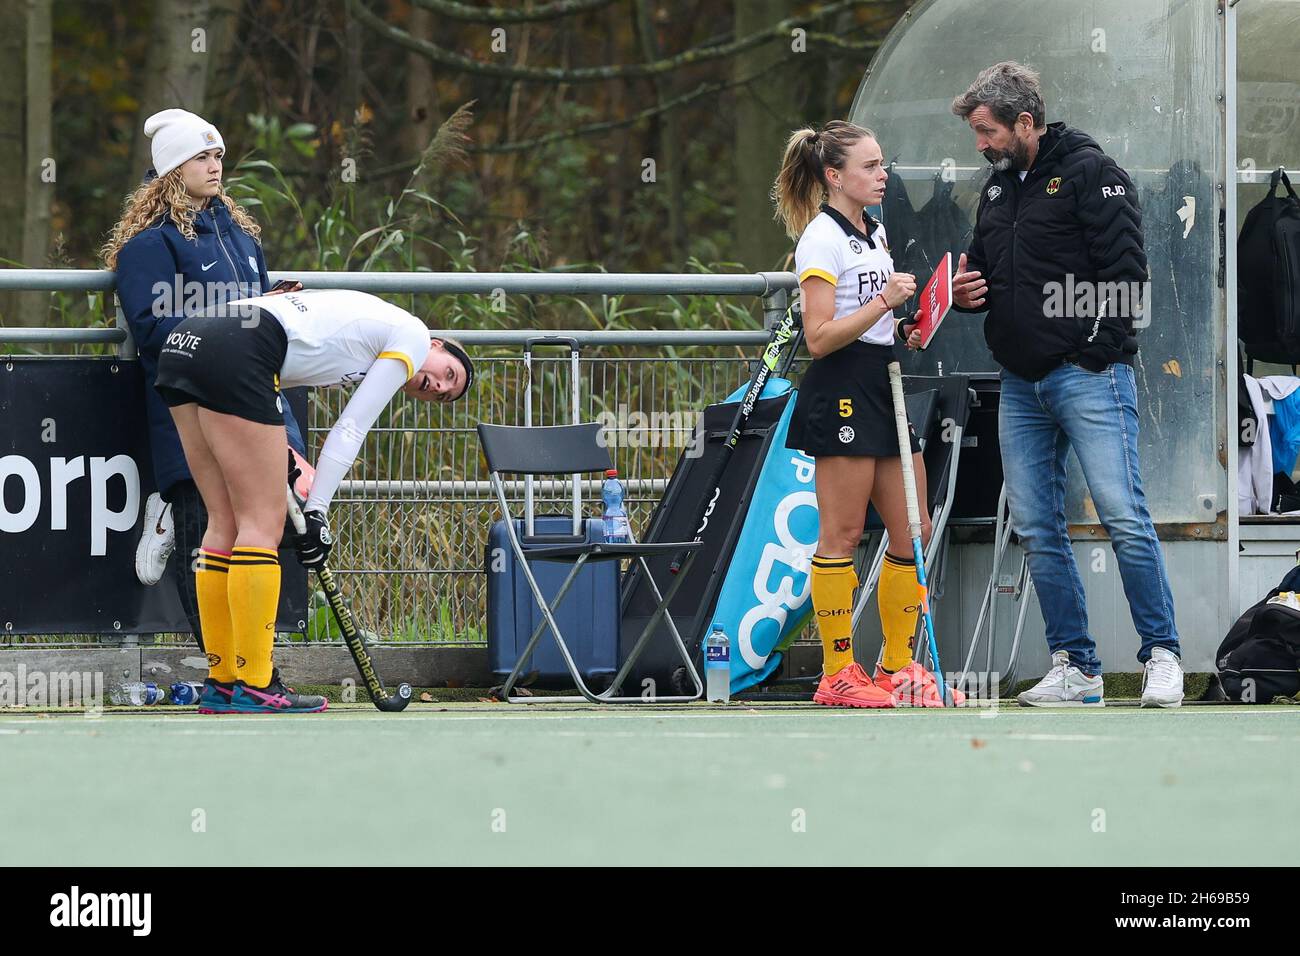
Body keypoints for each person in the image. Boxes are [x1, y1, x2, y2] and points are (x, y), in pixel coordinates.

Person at [949, 61, 1183, 707]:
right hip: (1019, 386)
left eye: (987, 130)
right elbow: (986, 272)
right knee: (1036, 527)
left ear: (1025, 121)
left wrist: (1093, 353)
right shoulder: (996, 191)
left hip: (1089, 378)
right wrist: (971, 295)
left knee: (1123, 518)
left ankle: (1163, 656)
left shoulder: (1092, 172)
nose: (981, 144)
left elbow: (1128, 276)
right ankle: (1077, 668)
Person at [154, 288, 475, 714]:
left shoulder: (371, 329)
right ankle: (255, 685)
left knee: (224, 523)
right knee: (261, 526)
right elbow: (350, 430)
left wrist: (280, 455)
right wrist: (318, 509)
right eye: (448, 374)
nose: (436, 386)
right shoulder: (412, 336)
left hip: (186, 342)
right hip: (238, 347)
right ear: (437, 345)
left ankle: (223, 683)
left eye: (442, 395)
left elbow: (265, 390)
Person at [772, 120, 965, 708]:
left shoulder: (874, 231)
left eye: (883, 164)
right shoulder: (820, 240)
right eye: (870, 167)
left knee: (914, 526)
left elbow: (873, 319)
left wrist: (905, 325)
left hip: (885, 380)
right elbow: (820, 336)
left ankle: (897, 667)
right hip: (843, 387)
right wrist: (885, 302)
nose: (884, 176)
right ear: (835, 176)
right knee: (845, 533)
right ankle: (837, 674)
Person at [101, 108, 310, 651]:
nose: (216, 165)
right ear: (173, 169)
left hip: (256, 403)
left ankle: (257, 671)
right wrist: (242, 318)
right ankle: (230, 672)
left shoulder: (240, 235)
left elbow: (253, 319)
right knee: (209, 541)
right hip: (191, 412)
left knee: (258, 539)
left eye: (218, 155)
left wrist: (270, 308)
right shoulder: (149, 243)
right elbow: (153, 329)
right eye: (202, 156)